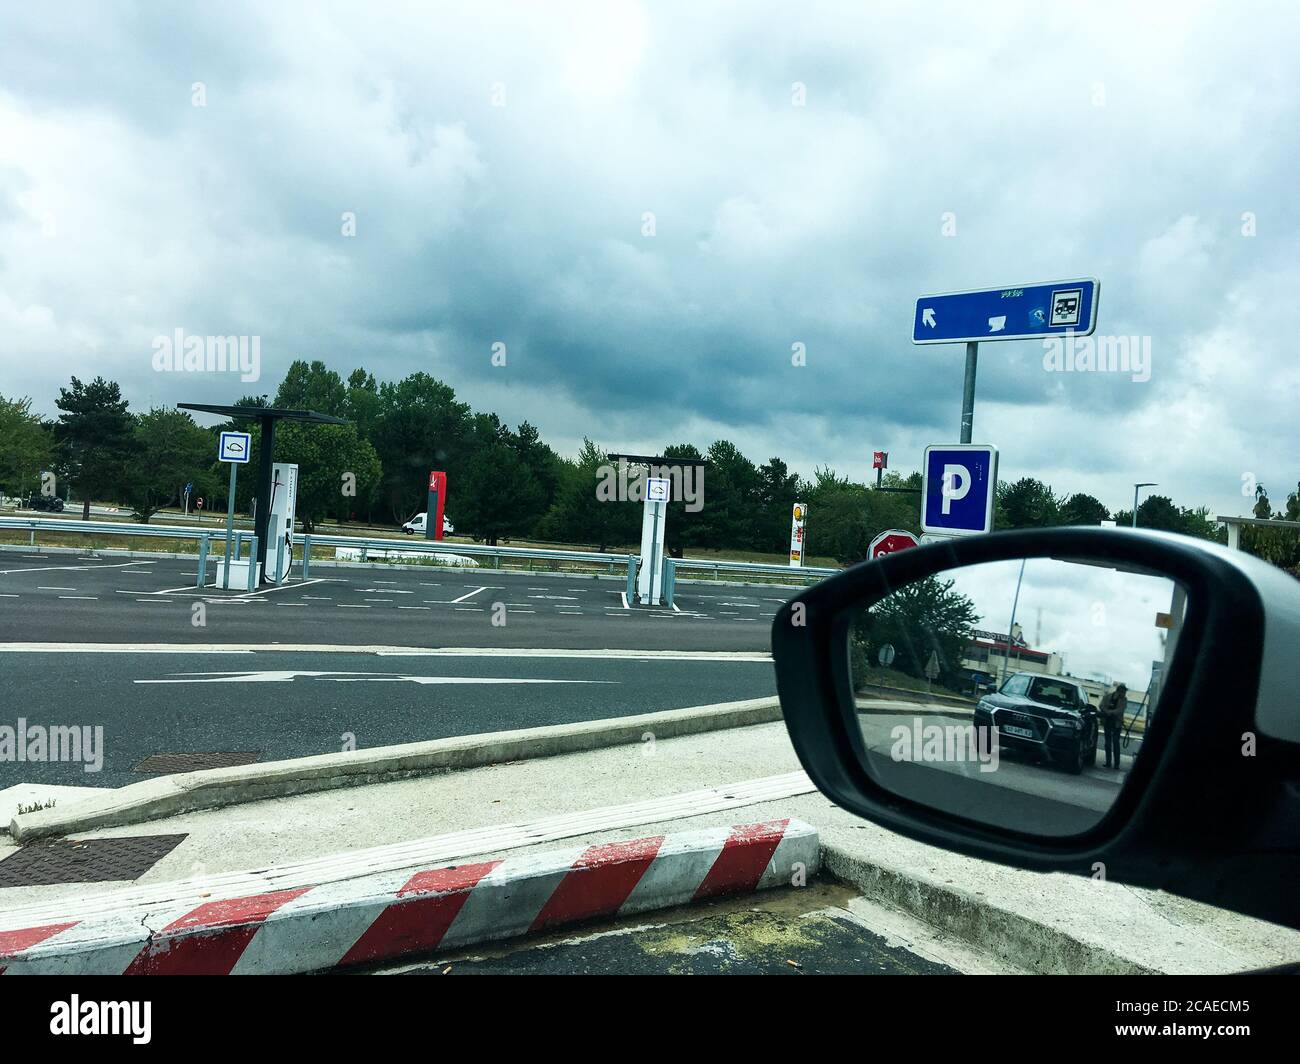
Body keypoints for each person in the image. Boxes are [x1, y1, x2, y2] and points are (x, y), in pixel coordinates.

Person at [1100, 682, 1127, 769]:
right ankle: (1108, 762)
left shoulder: (1124, 700)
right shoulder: (1108, 697)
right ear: (1119, 691)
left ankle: (1116, 764)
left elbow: (1121, 709)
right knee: (1107, 743)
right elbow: (1101, 705)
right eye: (1123, 692)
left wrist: (1110, 712)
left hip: (1117, 724)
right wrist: (1106, 711)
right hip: (1107, 722)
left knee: (1116, 743)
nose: (1124, 694)